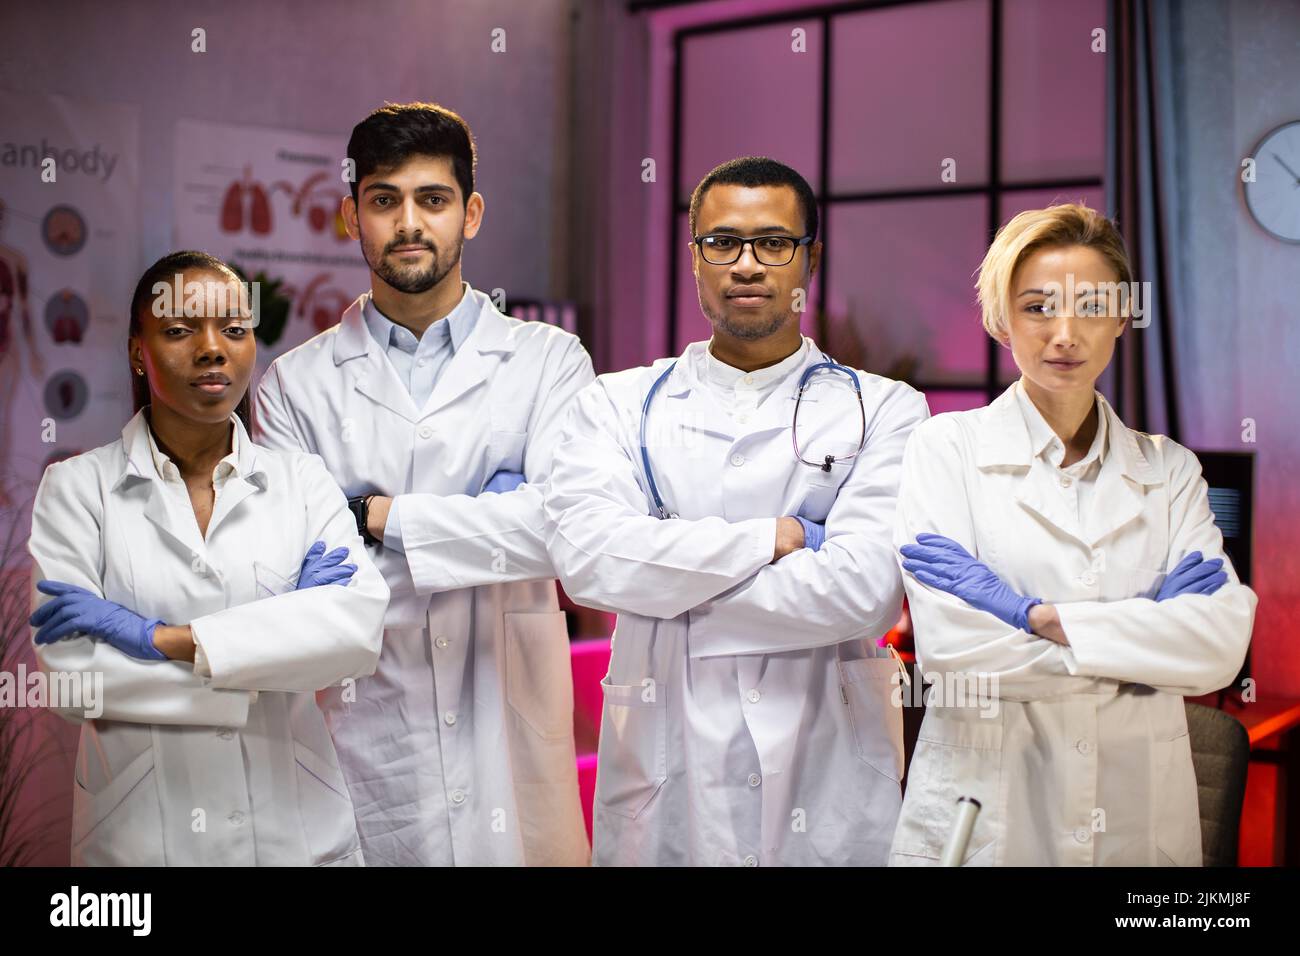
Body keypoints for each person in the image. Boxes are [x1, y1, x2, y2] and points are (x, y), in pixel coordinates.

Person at [544, 157, 929, 866]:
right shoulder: (617, 403)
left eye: (774, 242)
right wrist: (776, 539)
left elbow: (862, 594)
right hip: (667, 762)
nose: (747, 264)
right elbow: (591, 566)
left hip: (829, 765)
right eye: (722, 242)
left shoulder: (887, 409)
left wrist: (666, 580)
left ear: (810, 258)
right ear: (695, 259)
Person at [254, 103, 594, 866]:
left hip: (510, 748)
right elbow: (301, 581)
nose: (409, 222)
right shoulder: (292, 387)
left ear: (470, 213)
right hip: (367, 749)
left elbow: (564, 536)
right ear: (351, 216)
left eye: (432, 199)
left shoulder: (551, 361)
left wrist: (373, 516)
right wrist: (491, 516)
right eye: (384, 200)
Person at [889, 203, 1257, 866]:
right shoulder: (946, 450)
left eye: (1091, 306)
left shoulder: (1168, 469)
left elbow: (1218, 649)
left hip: (1137, 817)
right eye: (1037, 308)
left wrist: (1036, 617)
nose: (1064, 334)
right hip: (991, 814)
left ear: (1122, 317)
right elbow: (955, 652)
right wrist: (1144, 633)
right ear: (1002, 318)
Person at [28, 250, 389, 866]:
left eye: (234, 328)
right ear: (138, 351)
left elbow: (354, 639)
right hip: (145, 842)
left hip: (299, 835)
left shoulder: (302, 481)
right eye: (178, 329)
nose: (212, 348)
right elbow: (72, 681)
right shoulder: (76, 489)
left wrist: (161, 639)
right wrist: (276, 638)